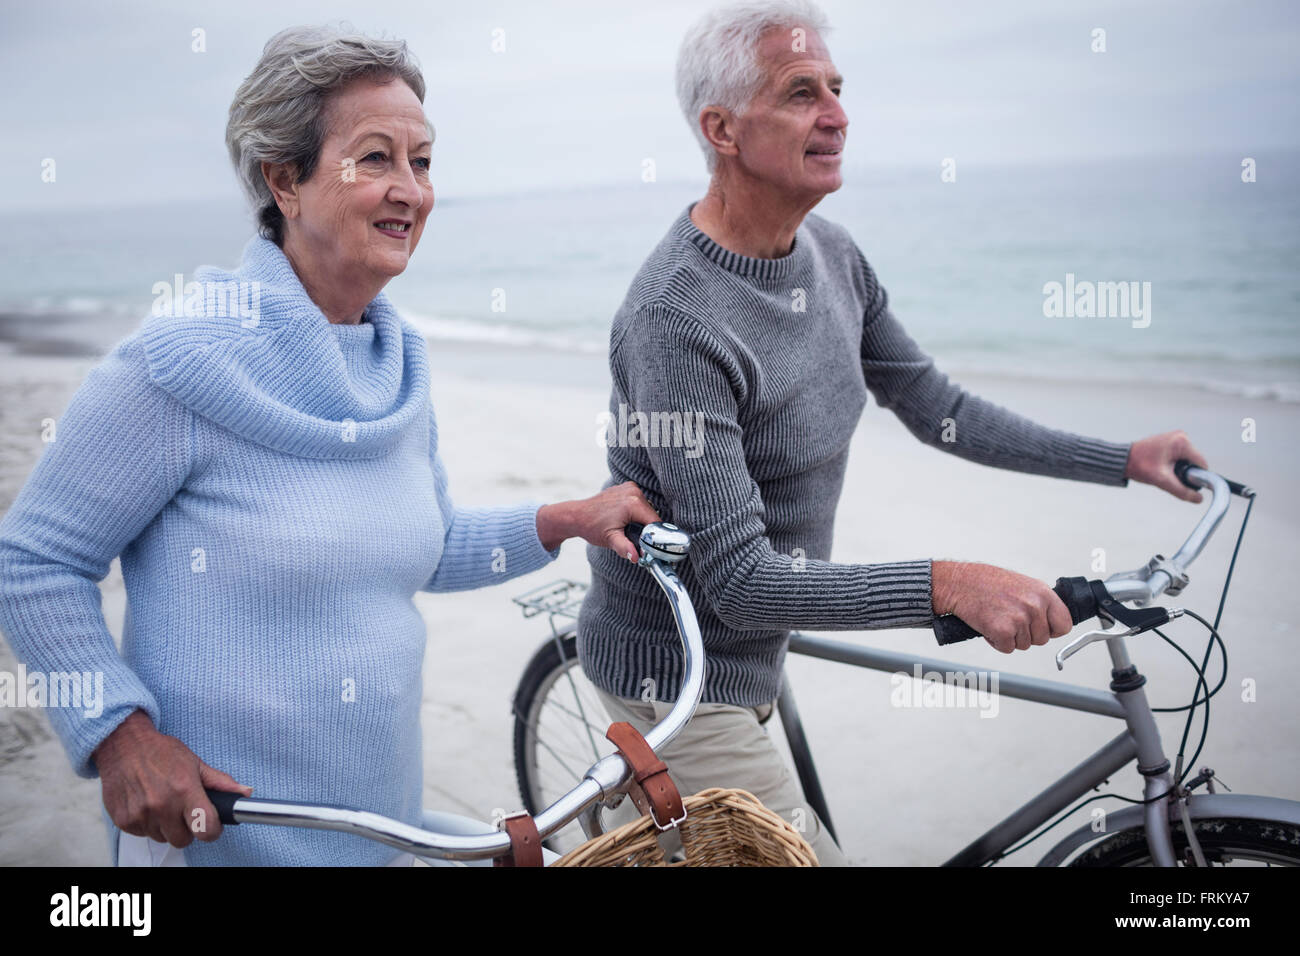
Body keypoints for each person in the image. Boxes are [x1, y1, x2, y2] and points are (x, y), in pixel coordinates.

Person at [0, 24, 660, 866]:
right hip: (222, 847)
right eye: (375, 158)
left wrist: (569, 517)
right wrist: (121, 737)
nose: (411, 191)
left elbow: (423, 540)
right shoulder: (179, 364)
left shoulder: (395, 361)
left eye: (422, 162)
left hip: (377, 834)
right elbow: (34, 562)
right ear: (286, 180)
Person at [575, 0, 1209, 866]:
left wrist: (1123, 460)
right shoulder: (675, 320)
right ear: (720, 128)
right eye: (802, 93)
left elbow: (940, 409)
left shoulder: (832, 254)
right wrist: (947, 584)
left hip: (762, 652)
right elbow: (743, 587)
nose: (837, 113)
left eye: (836, 88)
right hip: (681, 678)